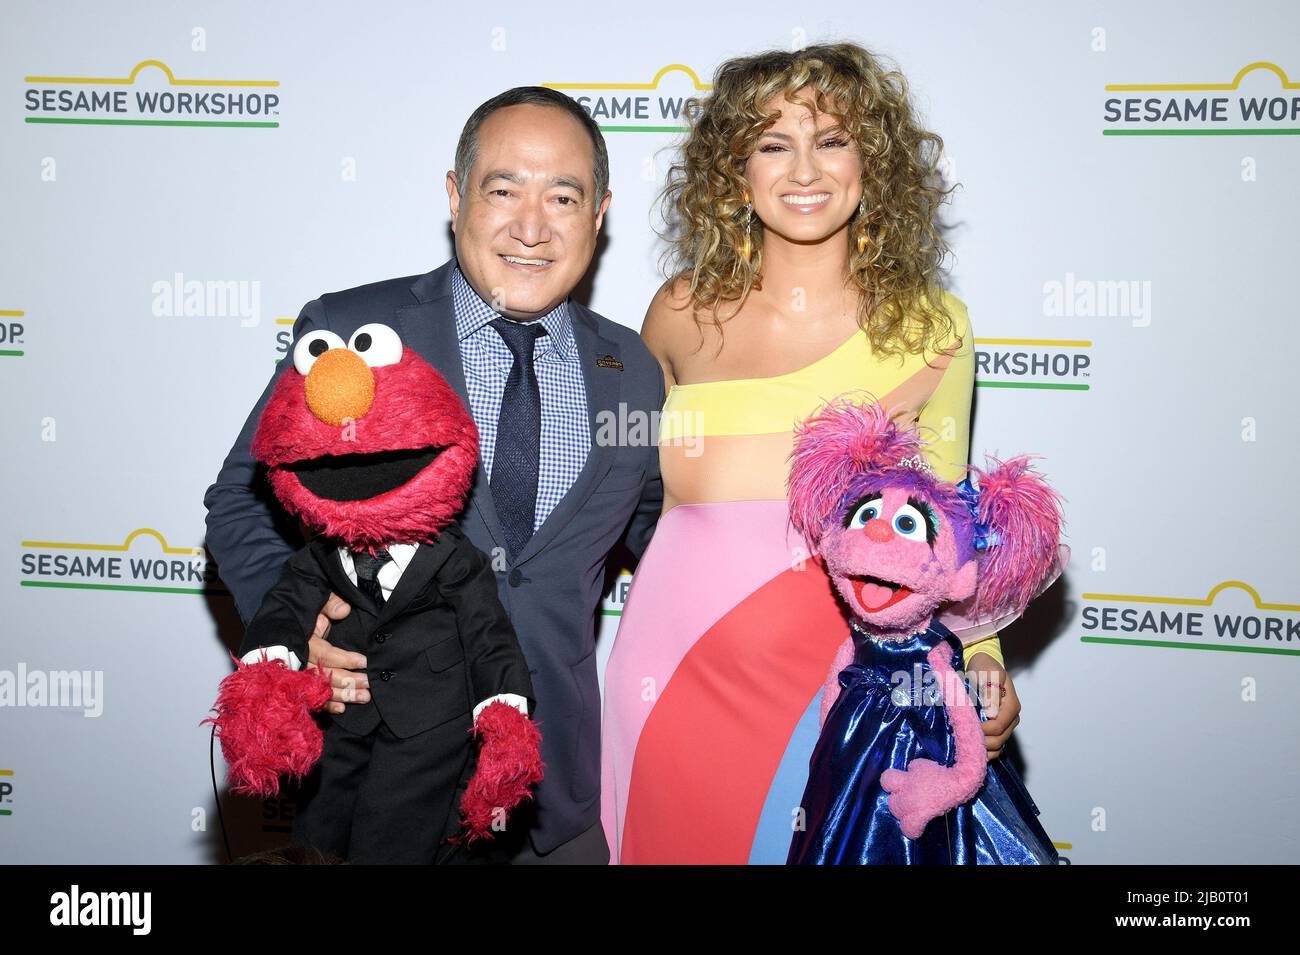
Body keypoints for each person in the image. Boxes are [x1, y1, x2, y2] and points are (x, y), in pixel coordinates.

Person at [204, 86, 665, 865]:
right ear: (456, 198)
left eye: (562, 195)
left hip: (552, 807)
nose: (531, 226)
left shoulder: (635, 373)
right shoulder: (357, 337)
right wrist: (292, 636)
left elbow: (671, 534)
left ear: (600, 212)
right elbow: (240, 504)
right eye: (502, 189)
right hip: (370, 792)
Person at [600, 43, 1023, 864]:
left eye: (832, 138)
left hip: (840, 691)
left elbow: (951, 530)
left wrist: (984, 660)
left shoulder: (933, 326)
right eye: (772, 143)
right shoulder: (680, 311)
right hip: (665, 679)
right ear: (736, 169)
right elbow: (613, 496)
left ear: (874, 161)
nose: (805, 168)